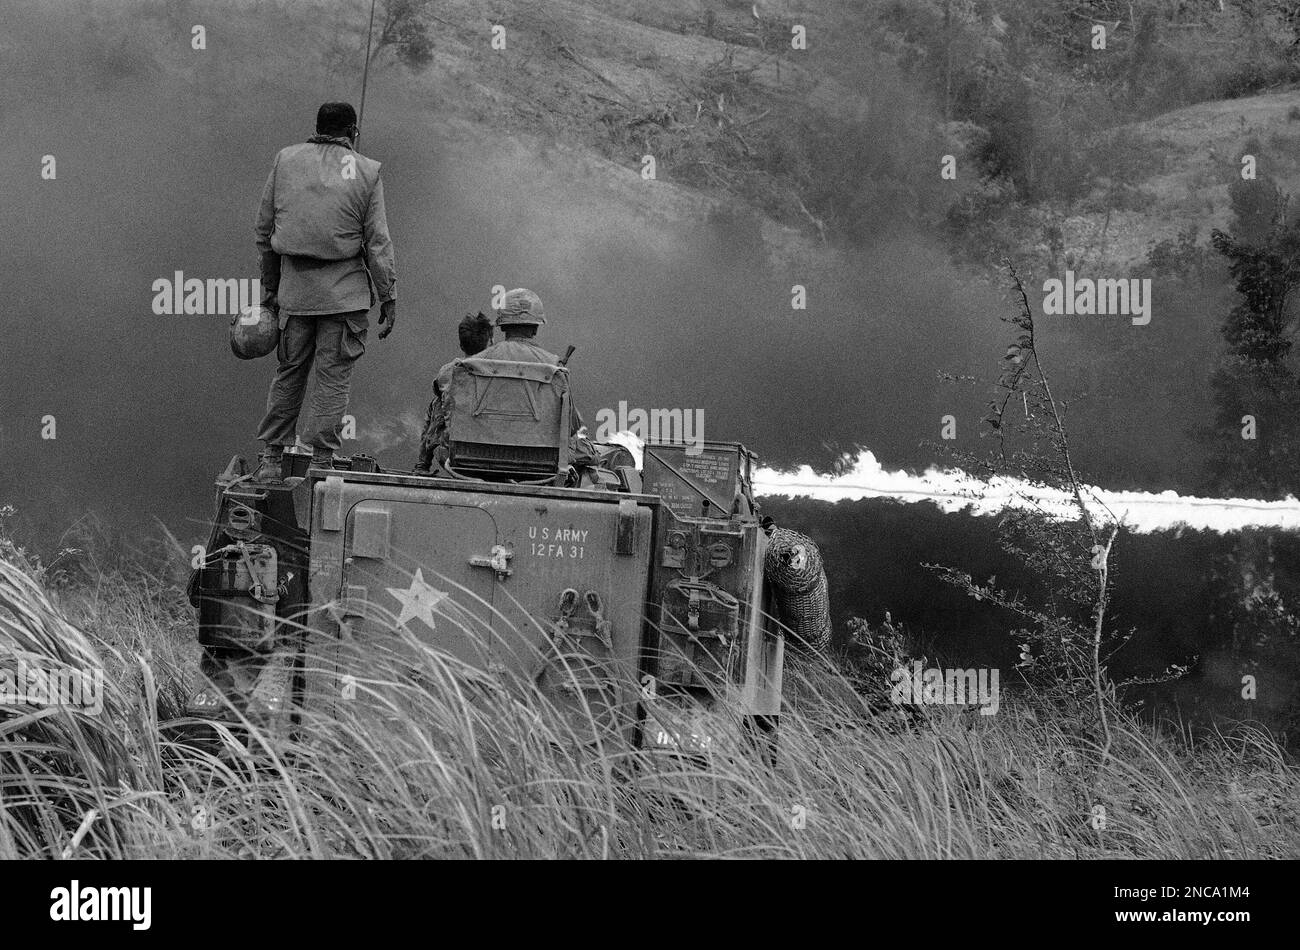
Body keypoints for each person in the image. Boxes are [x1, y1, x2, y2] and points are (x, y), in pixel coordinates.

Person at [252, 101, 397, 480]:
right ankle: (319, 462)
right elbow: (377, 243)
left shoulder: (286, 160)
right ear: (352, 132)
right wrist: (388, 294)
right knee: (332, 380)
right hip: (344, 297)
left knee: (289, 373)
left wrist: (270, 289)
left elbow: (264, 232)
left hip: (295, 294)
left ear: (316, 126)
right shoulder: (367, 171)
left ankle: (271, 457)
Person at [414, 312, 493, 473]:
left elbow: (437, 388)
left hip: (454, 455)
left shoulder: (449, 370)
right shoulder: (499, 371)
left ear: (461, 346)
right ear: (490, 342)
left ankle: (423, 464)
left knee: (436, 404)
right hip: (494, 452)